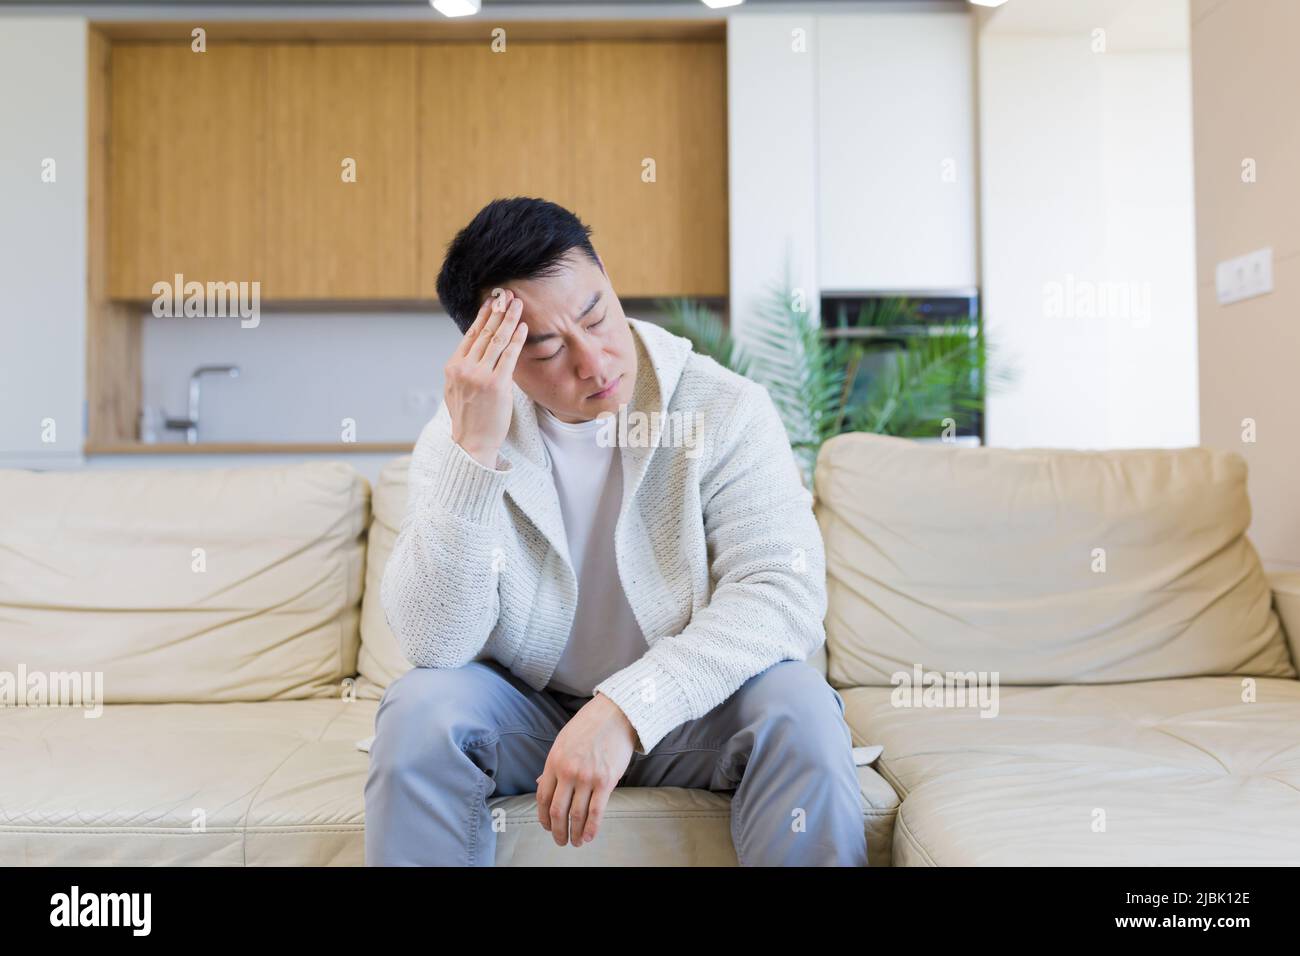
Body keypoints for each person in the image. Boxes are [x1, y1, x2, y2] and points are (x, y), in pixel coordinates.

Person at [364, 196, 866, 866]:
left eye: (597, 315)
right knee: (420, 710)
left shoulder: (726, 409)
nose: (595, 364)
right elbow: (435, 644)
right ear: (494, 355)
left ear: (606, 274)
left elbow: (781, 595)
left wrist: (625, 710)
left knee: (798, 703)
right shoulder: (456, 442)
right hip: (533, 717)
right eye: (545, 348)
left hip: (693, 715)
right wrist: (473, 459)